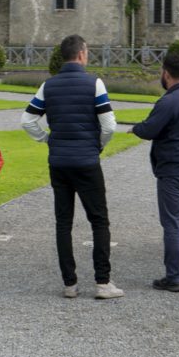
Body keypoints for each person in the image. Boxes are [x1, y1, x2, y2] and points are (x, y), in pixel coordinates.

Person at [21, 34, 124, 299]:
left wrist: (47, 139)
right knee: (99, 220)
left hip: (59, 162)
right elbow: (110, 125)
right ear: (81, 55)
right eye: (86, 52)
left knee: (63, 222)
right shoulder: (94, 83)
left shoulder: (48, 85)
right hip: (87, 161)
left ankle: (70, 284)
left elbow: (28, 120)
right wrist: (98, 145)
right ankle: (102, 283)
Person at [128, 51, 179, 293]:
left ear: (166, 73)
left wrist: (135, 129)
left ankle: (174, 276)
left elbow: (150, 128)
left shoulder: (168, 101)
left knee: (173, 223)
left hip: (173, 170)